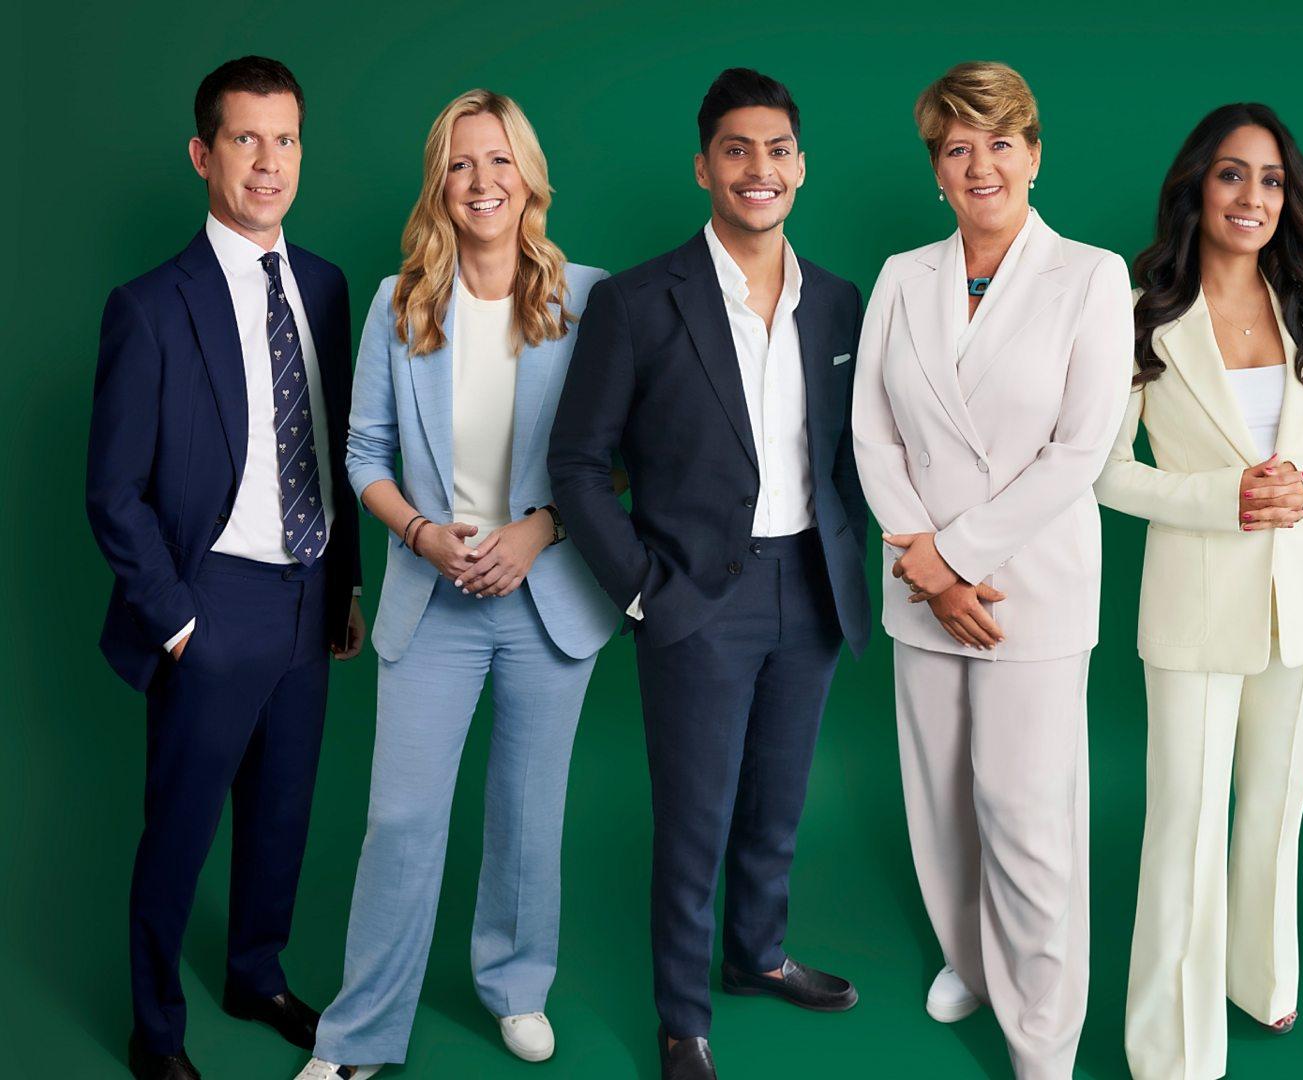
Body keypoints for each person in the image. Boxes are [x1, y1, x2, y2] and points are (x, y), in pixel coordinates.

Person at [290, 89, 620, 1080]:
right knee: (400, 816)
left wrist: (538, 530)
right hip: (432, 601)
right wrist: (424, 535)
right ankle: (357, 1041)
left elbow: (617, 458)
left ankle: (516, 986)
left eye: (499, 161)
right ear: (441, 182)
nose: (482, 182)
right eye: (461, 163)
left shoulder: (591, 297)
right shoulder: (401, 303)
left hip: (548, 599)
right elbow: (360, 452)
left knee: (529, 813)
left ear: (529, 177)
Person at [548, 68, 870, 1080]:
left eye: (776, 149)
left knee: (778, 803)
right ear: (704, 167)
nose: (758, 169)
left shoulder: (840, 304)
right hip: (696, 599)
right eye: (737, 149)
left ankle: (758, 955)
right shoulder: (638, 302)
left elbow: (853, 456)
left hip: (811, 590)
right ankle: (683, 1018)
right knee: (694, 816)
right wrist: (645, 588)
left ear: (801, 167)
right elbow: (574, 464)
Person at [85, 55, 364, 1080]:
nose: (267, 162)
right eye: (245, 139)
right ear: (205, 153)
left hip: (308, 598)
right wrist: (179, 619)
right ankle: (154, 1031)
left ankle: (256, 975)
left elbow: (341, 449)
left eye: (285, 139)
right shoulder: (151, 305)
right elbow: (112, 492)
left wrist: (347, 583)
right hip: (213, 602)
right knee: (181, 831)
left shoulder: (327, 287)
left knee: (283, 813)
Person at [852, 60, 1132, 1080]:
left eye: (1000, 141)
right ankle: (972, 960)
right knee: (940, 802)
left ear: (1035, 153)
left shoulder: (1093, 276)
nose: (981, 163)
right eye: (957, 145)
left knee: (1027, 816)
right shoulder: (900, 277)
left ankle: (1043, 1037)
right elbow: (872, 434)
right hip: (922, 592)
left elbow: (1080, 447)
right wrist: (929, 573)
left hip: (1031, 592)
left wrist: (957, 558)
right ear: (936, 168)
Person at [1094, 103, 1303, 1080]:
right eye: (1231, 175)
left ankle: (1262, 981)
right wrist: (1225, 499)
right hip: (1193, 602)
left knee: (1275, 812)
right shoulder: (1139, 308)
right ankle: (1169, 1046)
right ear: (1195, 188)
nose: (1251, 196)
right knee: (1184, 821)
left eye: (1271, 180)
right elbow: (1104, 471)